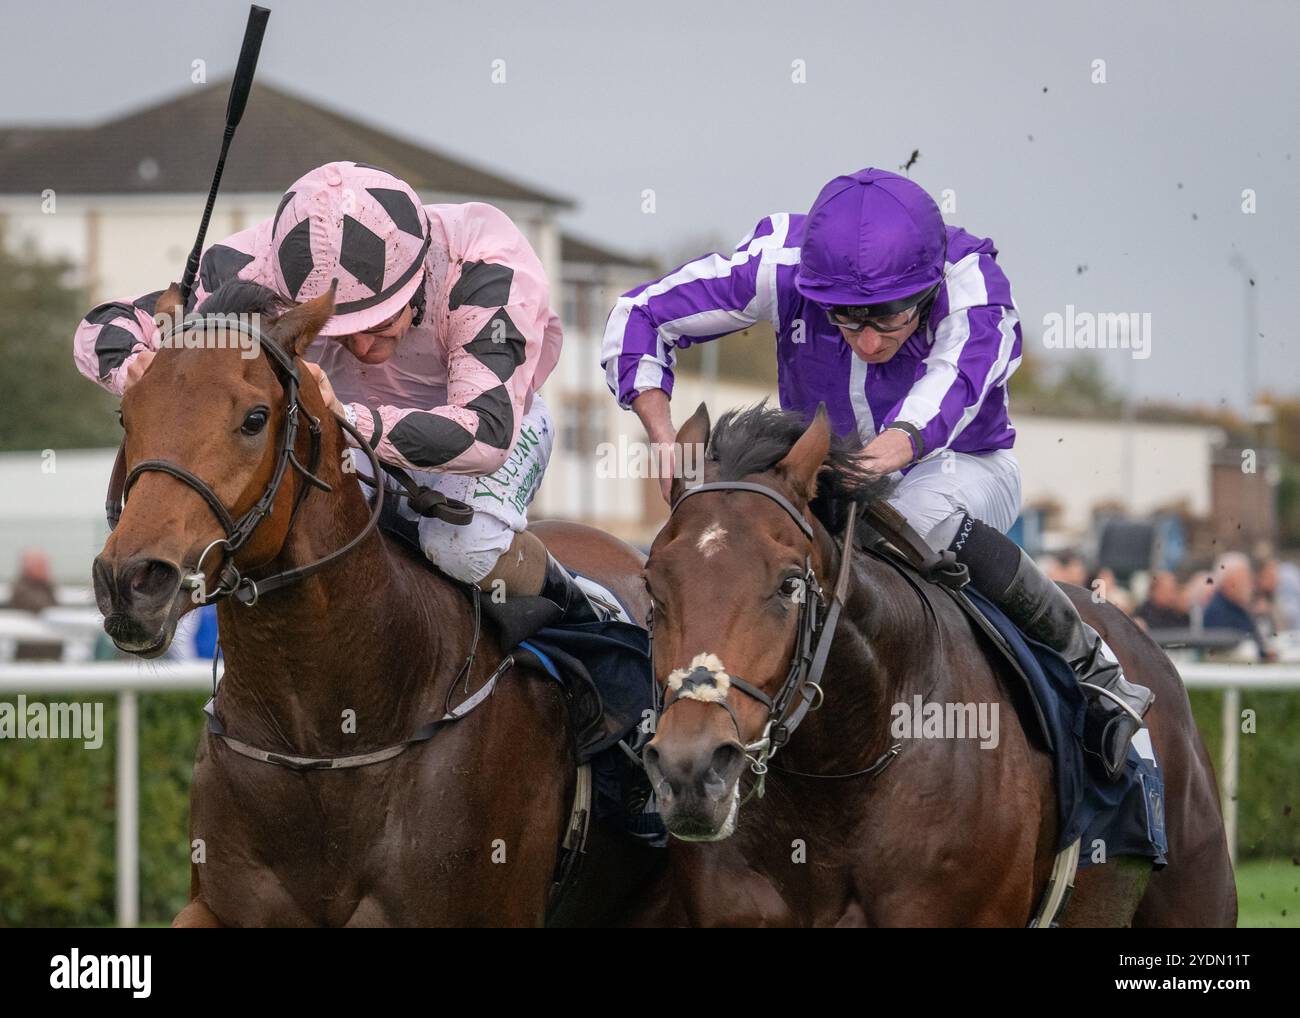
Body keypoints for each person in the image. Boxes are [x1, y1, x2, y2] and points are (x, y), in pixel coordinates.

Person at [600, 167, 1152, 780]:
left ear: (924, 290)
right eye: (843, 319)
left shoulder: (970, 279)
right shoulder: (781, 265)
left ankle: (1090, 666)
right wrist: (661, 437)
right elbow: (640, 313)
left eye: (886, 319)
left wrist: (884, 452)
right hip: (825, 478)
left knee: (902, 520)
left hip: (960, 463)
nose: (865, 342)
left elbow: (956, 382)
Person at [73, 161, 600, 627]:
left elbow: (484, 438)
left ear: (418, 279)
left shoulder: (485, 267)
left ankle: (587, 612)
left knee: (462, 547)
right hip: (341, 433)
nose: (363, 346)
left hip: (490, 429)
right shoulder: (251, 266)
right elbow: (103, 326)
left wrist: (344, 414)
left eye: (379, 320)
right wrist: (135, 370)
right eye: (339, 331)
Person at [1204, 552, 1270, 660]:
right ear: (1229, 582)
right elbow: (1225, 653)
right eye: (1245, 579)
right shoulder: (1217, 612)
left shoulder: (1239, 608)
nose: (1250, 584)